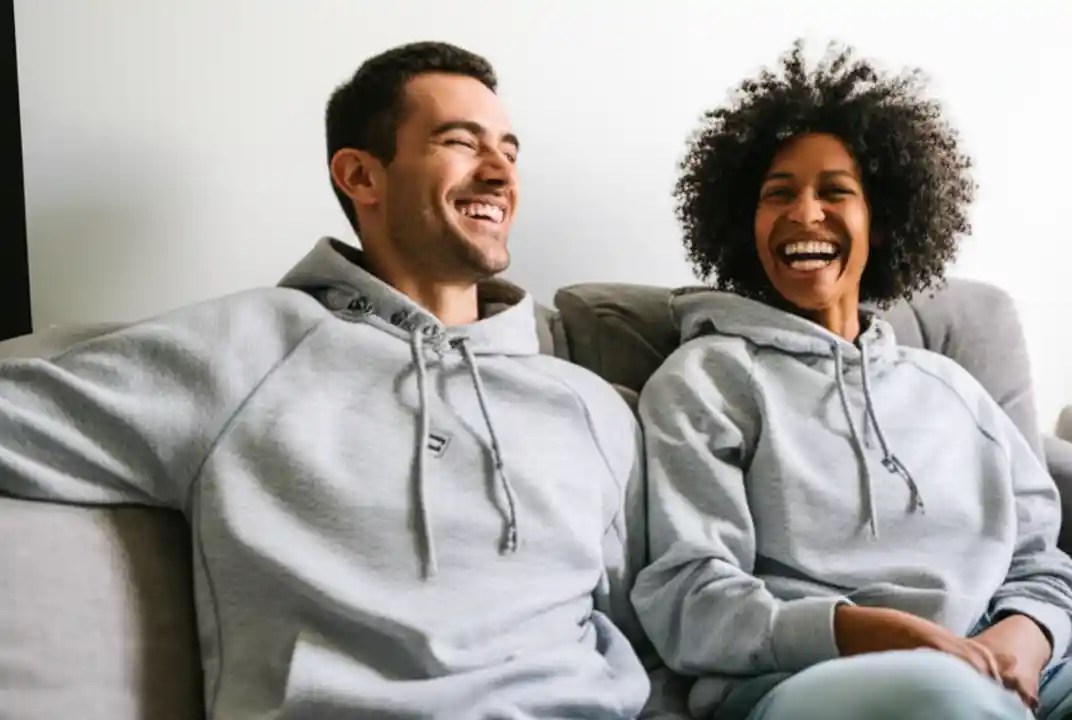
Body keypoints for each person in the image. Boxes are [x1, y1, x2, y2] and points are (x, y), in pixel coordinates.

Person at [0, 41, 654, 719]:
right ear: (361, 176)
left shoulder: (592, 407)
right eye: (461, 143)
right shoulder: (247, 350)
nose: (499, 172)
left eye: (510, 152)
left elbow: (659, 631)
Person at [630, 40, 1072, 720]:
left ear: (882, 222)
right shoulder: (706, 381)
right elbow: (689, 599)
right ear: (744, 222)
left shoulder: (953, 388)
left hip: (1013, 681)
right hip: (808, 687)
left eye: (836, 192)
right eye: (778, 194)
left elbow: (1042, 565)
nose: (805, 213)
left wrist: (1025, 639)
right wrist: (875, 634)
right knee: (937, 693)